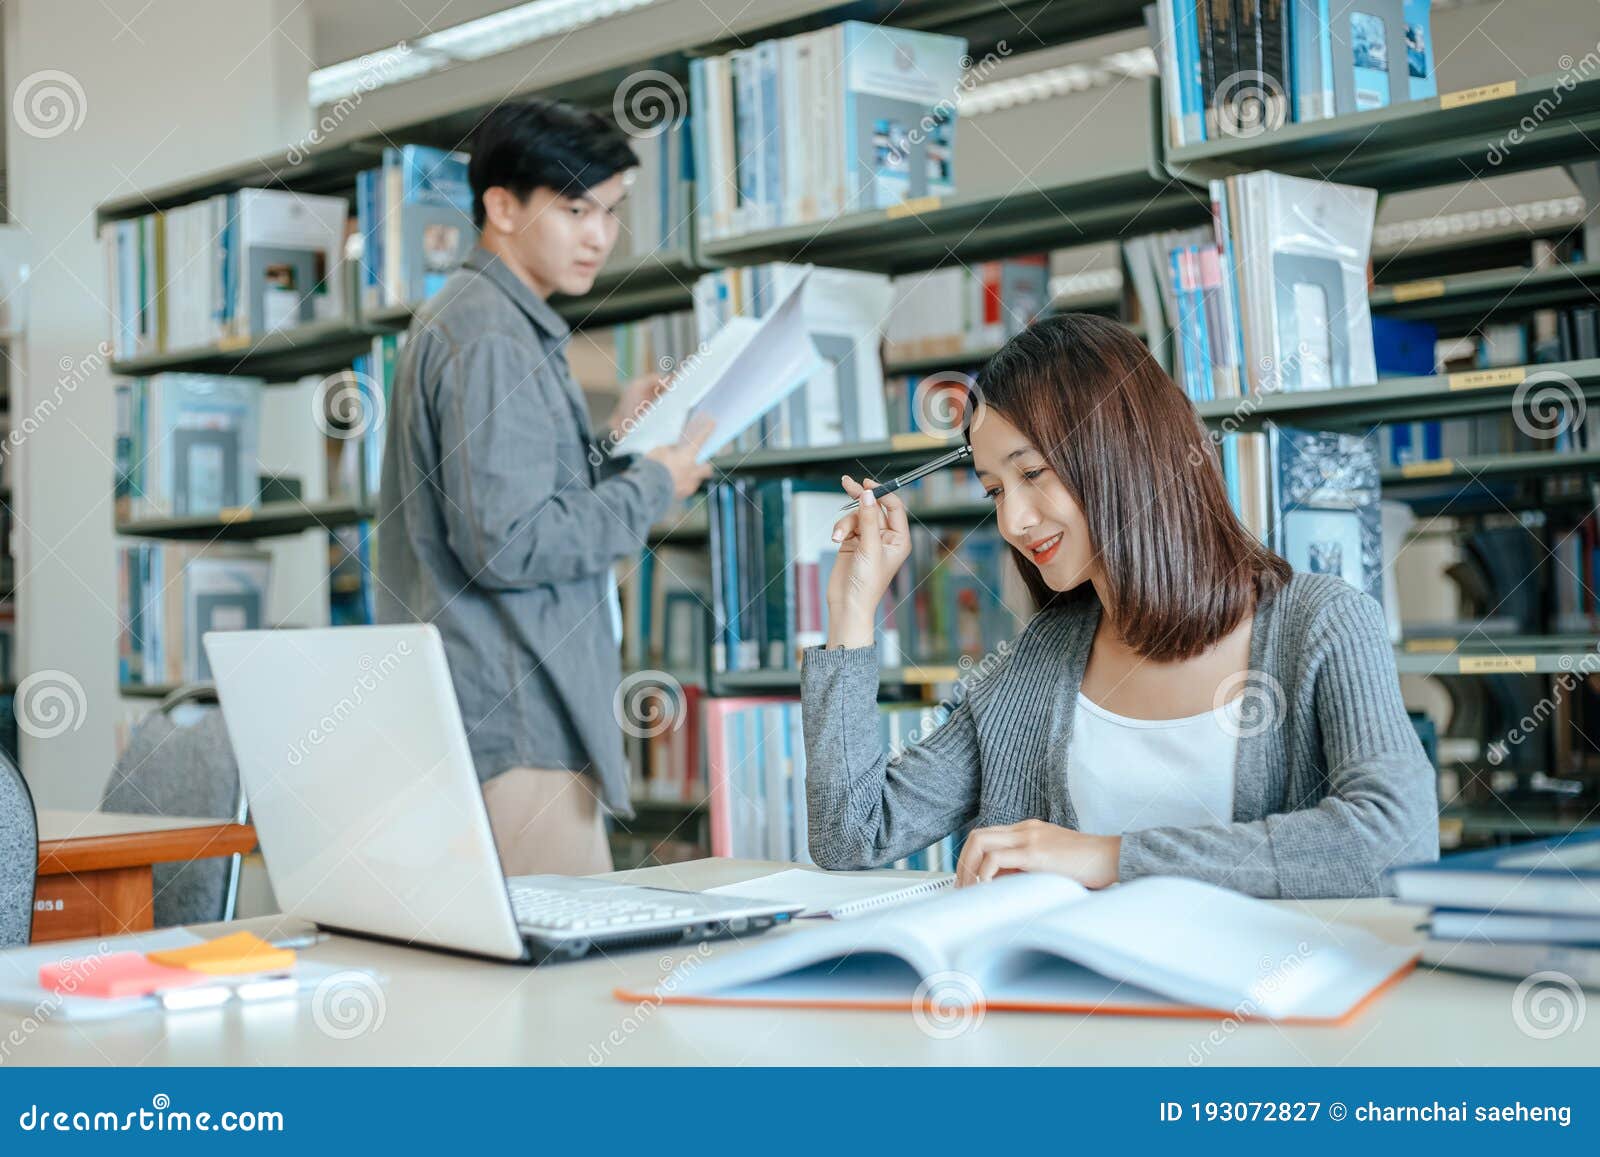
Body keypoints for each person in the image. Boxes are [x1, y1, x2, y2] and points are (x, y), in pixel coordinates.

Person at [801, 312, 1438, 898]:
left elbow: (1396, 843)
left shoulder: (1320, 623)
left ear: (1123, 453)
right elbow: (853, 836)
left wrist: (1107, 857)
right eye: (995, 491)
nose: (1014, 521)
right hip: (1083, 1007)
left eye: (1035, 473)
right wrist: (852, 612)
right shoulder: (1039, 663)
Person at [378, 98, 711, 877]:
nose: (599, 234)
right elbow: (510, 542)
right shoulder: (492, 333)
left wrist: (612, 449)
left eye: (611, 211)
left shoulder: (473, 320)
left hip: (491, 707)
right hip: (520, 713)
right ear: (500, 205)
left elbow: (509, 498)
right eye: (573, 209)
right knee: (564, 984)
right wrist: (654, 484)